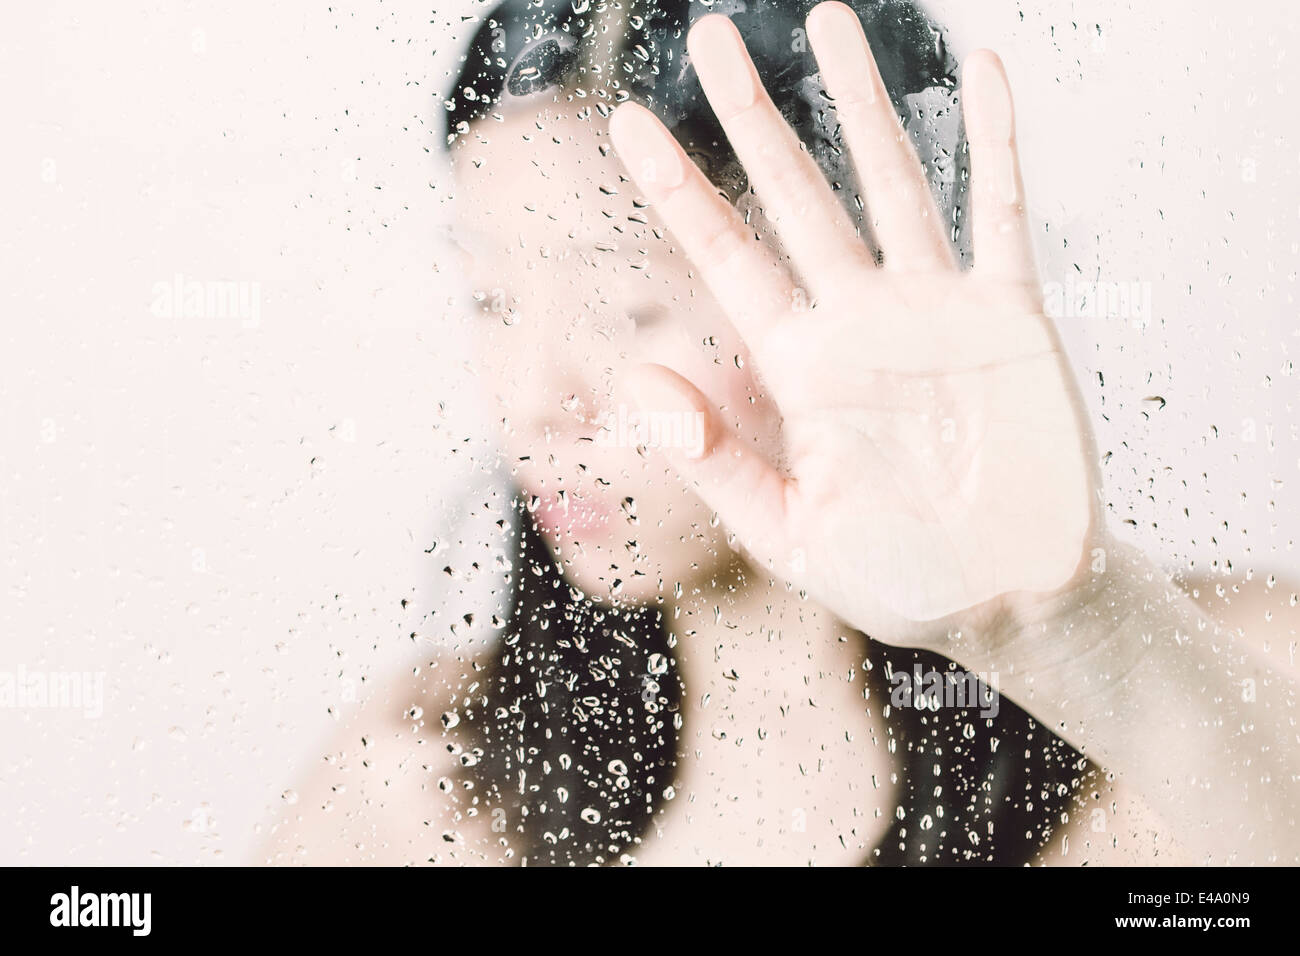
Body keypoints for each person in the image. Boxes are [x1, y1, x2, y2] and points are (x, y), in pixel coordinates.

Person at [262, 0, 1300, 866]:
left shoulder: (1247, 675)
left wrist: (1083, 636)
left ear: (859, 269)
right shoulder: (423, 778)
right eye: (489, 298)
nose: (534, 397)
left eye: (623, 310)